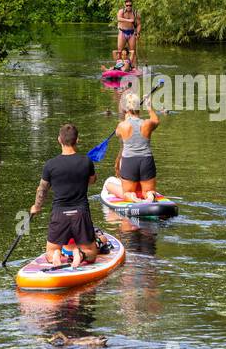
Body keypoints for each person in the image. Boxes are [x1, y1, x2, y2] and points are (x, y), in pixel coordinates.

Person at [30, 123, 102, 269]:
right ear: (77, 140)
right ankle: (80, 255)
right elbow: (93, 180)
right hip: (80, 213)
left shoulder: (50, 165)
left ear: (59, 140)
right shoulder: (86, 161)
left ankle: (56, 255)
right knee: (92, 253)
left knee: (49, 251)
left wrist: (36, 207)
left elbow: (42, 189)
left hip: (59, 214)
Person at [114, 91, 161, 201]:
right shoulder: (147, 124)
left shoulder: (122, 125)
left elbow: (117, 134)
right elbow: (156, 121)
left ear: (126, 109)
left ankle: (132, 197)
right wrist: (149, 107)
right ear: (139, 108)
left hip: (129, 161)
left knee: (127, 192)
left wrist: (126, 118)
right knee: (149, 191)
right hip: (146, 161)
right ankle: (149, 196)